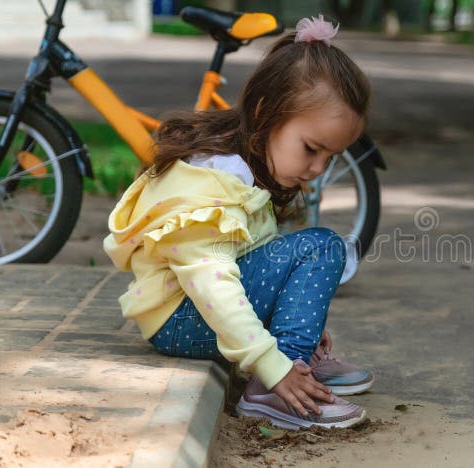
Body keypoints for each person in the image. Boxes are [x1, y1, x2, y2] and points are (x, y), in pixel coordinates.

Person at [102, 14, 374, 430]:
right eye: (311, 149)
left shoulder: (244, 163)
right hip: (181, 317)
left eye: (330, 157)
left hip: (191, 312)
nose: (318, 168)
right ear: (268, 112)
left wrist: (297, 311)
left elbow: (253, 253)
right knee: (321, 246)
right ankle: (278, 385)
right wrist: (271, 364)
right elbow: (210, 278)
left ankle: (295, 358)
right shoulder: (215, 177)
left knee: (308, 248)